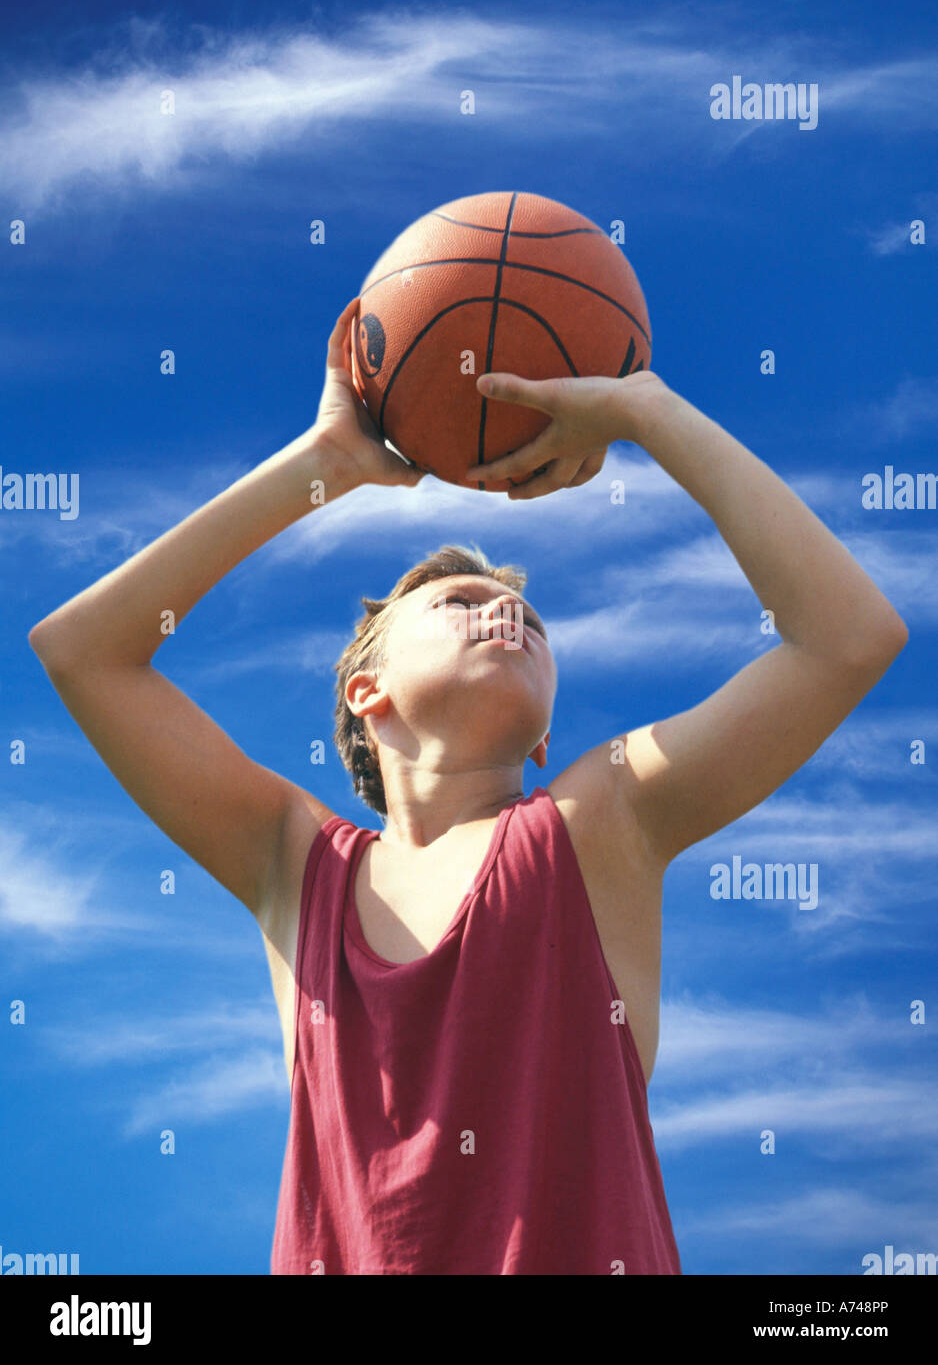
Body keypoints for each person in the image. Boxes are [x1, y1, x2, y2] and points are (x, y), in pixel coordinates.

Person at [28, 297, 908, 1275]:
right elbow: (83, 653)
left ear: (541, 743)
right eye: (460, 600)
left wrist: (649, 412)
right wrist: (320, 471)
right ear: (367, 689)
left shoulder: (596, 817)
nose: (506, 611)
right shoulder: (294, 860)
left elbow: (845, 637)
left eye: (524, 610)